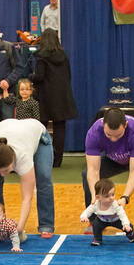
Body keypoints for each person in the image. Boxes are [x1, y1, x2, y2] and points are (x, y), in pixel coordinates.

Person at [84, 108, 134, 235]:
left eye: (118, 135)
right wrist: (95, 196)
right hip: (112, 157)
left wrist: (125, 198)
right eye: (109, 135)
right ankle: (95, 219)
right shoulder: (94, 132)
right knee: (86, 174)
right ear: (103, 125)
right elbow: (93, 170)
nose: (113, 139)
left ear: (126, 125)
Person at [0, 117, 55, 241]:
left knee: (43, 177)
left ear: (13, 161)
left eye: (6, 170)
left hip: (39, 137)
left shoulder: (23, 157)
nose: (3, 174)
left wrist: (19, 228)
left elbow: (27, 197)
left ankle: (46, 224)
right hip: (8, 128)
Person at [29, 28, 77, 168]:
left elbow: (39, 77)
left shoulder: (41, 57)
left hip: (45, 98)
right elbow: (68, 75)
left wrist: (30, 77)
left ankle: (43, 158)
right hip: (61, 96)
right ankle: (57, 160)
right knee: (60, 128)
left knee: (40, 128)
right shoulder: (63, 55)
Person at [80, 178, 134, 246]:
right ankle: (97, 239)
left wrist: (126, 224)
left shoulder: (115, 204)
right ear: (98, 197)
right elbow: (87, 211)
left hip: (116, 220)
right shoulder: (95, 204)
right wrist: (83, 217)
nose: (111, 198)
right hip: (101, 220)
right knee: (95, 225)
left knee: (128, 227)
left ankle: (131, 235)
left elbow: (122, 215)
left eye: (112, 194)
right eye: (107, 196)